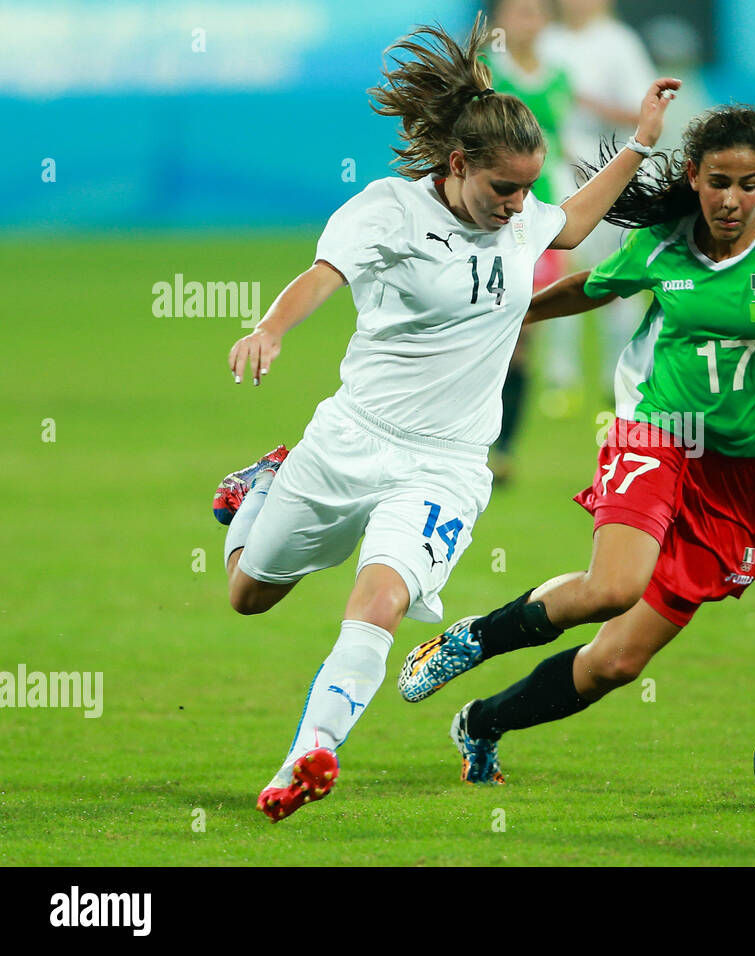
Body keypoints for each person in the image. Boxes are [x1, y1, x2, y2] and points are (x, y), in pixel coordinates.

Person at [212, 14, 679, 821]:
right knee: (248, 594)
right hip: (352, 435)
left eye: (527, 188)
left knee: (382, 599)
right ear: (459, 164)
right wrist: (270, 329)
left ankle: (309, 752)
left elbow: (571, 219)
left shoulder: (523, 217)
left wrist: (637, 144)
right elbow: (321, 276)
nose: (517, 206)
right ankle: (264, 484)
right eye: (503, 188)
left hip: (447, 463)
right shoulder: (388, 211)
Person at [396, 105, 755, 784]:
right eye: (717, 182)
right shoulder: (665, 244)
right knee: (612, 587)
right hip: (657, 433)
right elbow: (589, 289)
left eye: (748, 184)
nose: (730, 200)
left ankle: (483, 723)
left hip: (741, 474)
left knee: (615, 664)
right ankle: (472, 639)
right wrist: (500, 316)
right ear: (693, 175)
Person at [536, 0, 659, 416]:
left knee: (619, 279)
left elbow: (641, 112)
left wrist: (580, 100)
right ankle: (560, 378)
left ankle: (620, 375)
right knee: (560, 275)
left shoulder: (619, 43)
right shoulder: (545, 40)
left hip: (613, 176)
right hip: (558, 174)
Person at [484, 0, 576, 483]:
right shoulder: (485, 73)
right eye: (520, 12)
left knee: (523, 335)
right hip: (490, 220)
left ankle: (503, 449)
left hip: (540, 221)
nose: (530, 21)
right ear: (500, 21)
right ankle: (470, 437)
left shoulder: (560, 77)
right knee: (477, 328)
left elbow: (561, 147)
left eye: (537, 12)